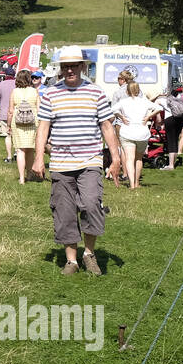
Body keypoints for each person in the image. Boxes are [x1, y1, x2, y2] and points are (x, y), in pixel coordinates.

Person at [32, 46, 122, 276]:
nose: (69, 70)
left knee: (92, 204)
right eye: (65, 66)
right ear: (60, 69)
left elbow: (107, 126)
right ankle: (71, 261)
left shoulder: (96, 92)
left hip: (90, 160)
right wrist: (39, 158)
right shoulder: (50, 93)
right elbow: (43, 127)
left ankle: (89, 254)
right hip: (61, 162)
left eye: (73, 66)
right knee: (65, 211)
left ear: (83, 67)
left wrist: (116, 158)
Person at [113, 82, 157, 190]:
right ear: (138, 90)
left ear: (127, 91)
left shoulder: (123, 102)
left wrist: (121, 117)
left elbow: (113, 109)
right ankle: (137, 182)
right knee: (139, 158)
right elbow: (159, 108)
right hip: (142, 132)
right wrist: (148, 117)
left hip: (127, 131)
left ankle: (132, 184)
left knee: (129, 158)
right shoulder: (144, 101)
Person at [10, 69, 40, 184]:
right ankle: (30, 174)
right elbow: (39, 108)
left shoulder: (14, 92)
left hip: (17, 123)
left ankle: (22, 178)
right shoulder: (34, 91)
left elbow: (11, 110)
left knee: (20, 150)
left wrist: (8, 125)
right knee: (30, 149)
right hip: (32, 122)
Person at [0, 71, 16, 163]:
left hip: (5, 112)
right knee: (16, 135)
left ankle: (9, 156)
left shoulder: (1, 84)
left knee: (8, 136)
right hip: (16, 113)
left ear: (5, 76)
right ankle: (17, 152)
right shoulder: (18, 83)